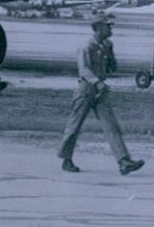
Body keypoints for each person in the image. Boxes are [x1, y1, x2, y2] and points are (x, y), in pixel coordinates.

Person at [57, 15, 142, 175]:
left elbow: (112, 69)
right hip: (86, 90)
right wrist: (97, 82)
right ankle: (66, 159)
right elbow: (84, 69)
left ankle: (124, 162)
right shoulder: (86, 47)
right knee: (74, 126)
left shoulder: (106, 45)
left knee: (111, 126)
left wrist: (110, 53)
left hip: (100, 91)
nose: (110, 29)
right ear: (98, 28)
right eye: (107, 26)